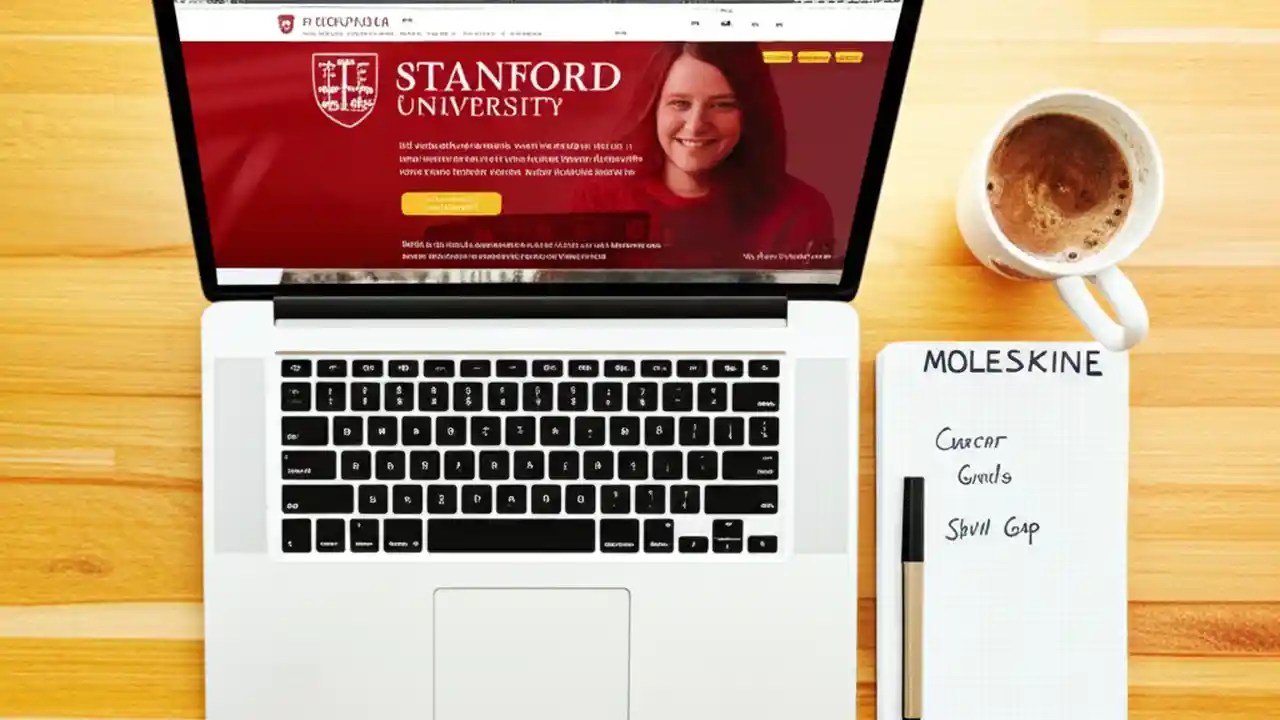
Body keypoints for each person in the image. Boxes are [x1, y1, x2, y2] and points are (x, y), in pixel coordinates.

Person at [573, 42, 836, 270]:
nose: (696, 125)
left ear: (749, 114)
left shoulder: (800, 209)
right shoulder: (600, 198)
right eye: (680, 103)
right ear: (653, 108)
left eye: (722, 105)